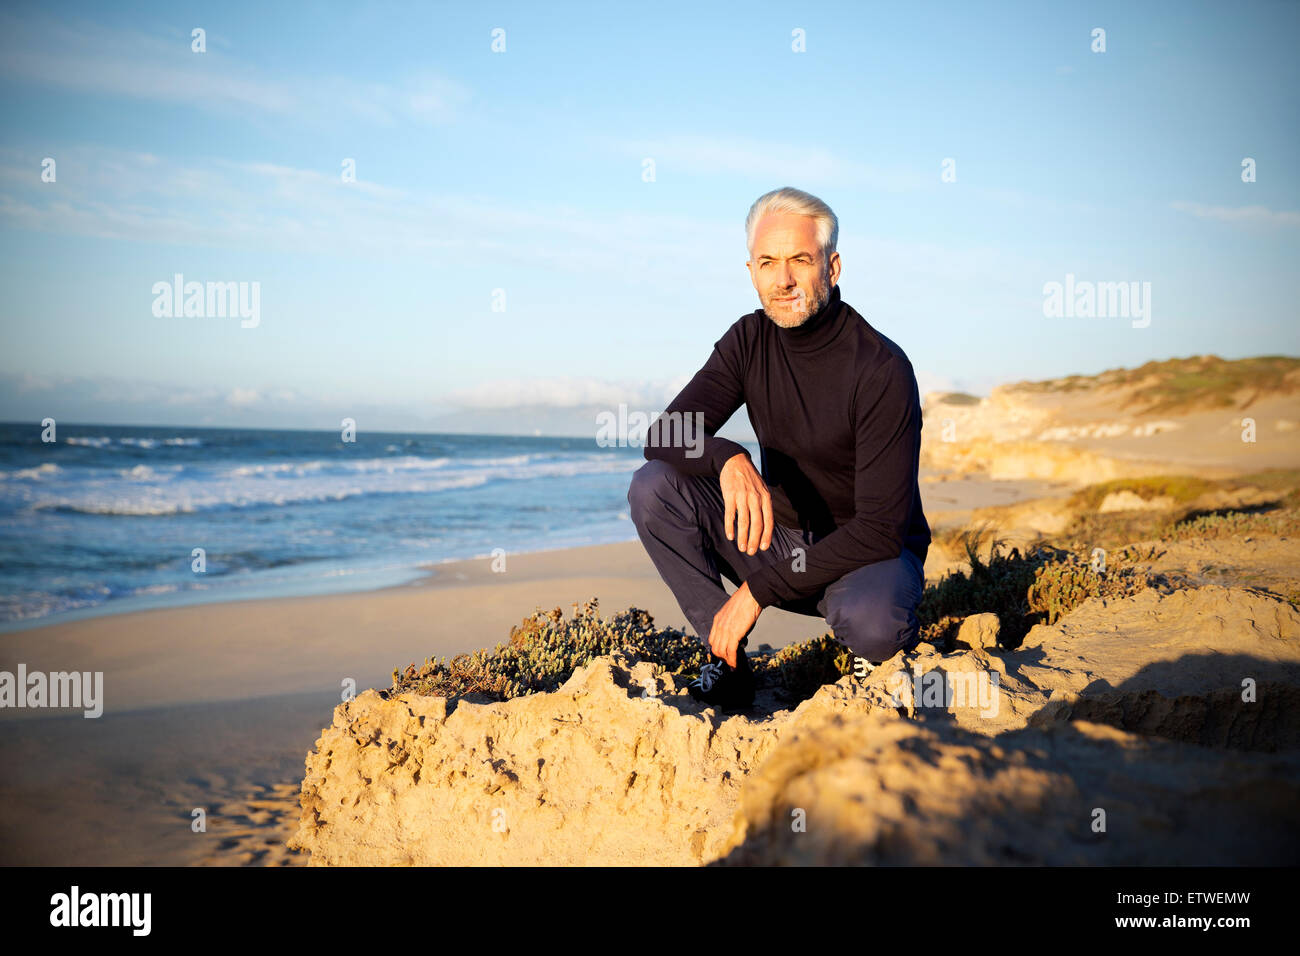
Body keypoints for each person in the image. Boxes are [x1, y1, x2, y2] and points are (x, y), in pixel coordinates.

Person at [627, 187, 931, 709]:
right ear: (751, 271)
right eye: (768, 262)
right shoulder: (748, 340)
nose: (783, 279)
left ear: (832, 267)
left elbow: (881, 529)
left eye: (800, 260)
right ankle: (724, 659)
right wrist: (728, 457)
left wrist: (757, 590)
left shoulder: (881, 368)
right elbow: (662, 436)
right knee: (654, 487)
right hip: (781, 538)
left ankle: (865, 657)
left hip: (864, 556)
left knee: (875, 623)